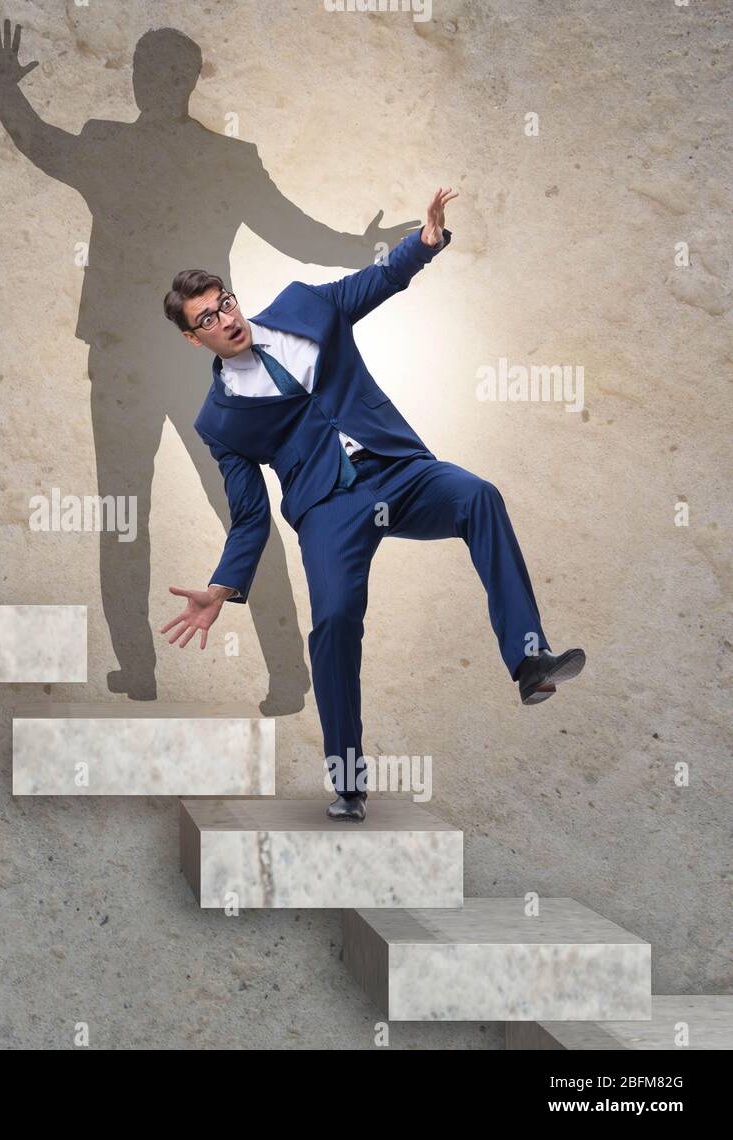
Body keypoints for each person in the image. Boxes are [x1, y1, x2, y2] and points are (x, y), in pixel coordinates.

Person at [161, 189, 585, 821]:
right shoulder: (218, 421)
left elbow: (376, 281)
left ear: (234, 298)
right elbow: (250, 514)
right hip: (328, 509)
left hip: (396, 471)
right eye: (206, 320)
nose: (223, 319)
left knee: (478, 497)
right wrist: (223, 587)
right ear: (196, 340)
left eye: (223, 303)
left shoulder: (304, 304)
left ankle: (527, 659)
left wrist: (426, 243)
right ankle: (348, 782)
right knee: (333, 625)